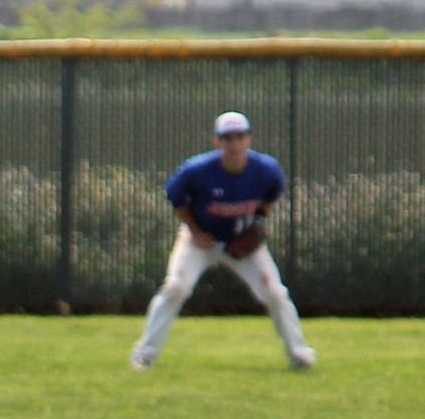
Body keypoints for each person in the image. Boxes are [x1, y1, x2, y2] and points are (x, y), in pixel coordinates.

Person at [130, 110, 315, 372]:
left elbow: (269, 199)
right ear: (217, 142)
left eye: (240, 137)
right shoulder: (197, 170)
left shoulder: (266, 170)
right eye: (228, 138)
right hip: (200, 241)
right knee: (176, 287)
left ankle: (299, 354)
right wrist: (195, 231)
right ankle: (145, 355)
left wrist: (257, 225)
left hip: (242, 242)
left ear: (249, 139)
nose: (234, 144)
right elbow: (176, 200)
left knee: (275, 292)